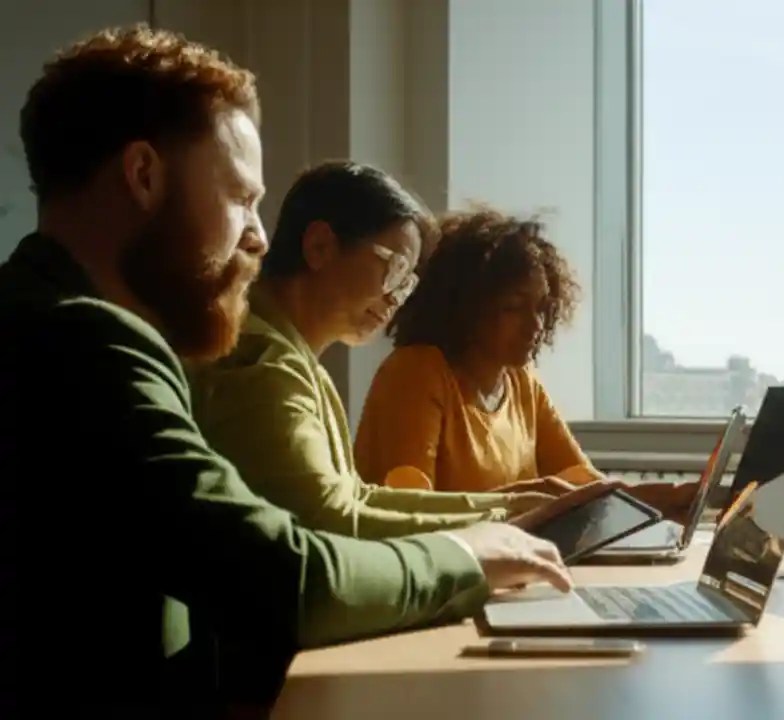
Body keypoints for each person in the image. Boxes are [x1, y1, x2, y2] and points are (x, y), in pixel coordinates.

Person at [0, 27, 572, 714]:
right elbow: (283, 578)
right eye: (241, 196)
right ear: (144, 175)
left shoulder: (43, 313)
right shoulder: (83, 341)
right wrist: (467, 555)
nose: (260, 236)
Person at [188, 161, 565, 538]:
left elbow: (358, 497)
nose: (394, 299)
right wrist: (503, 524)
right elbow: (331, 521)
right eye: (395, 268)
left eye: (407, 284)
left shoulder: (300, 362)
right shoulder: (262, 365)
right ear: (319, 247)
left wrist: (510, 506)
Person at [354, 208, 696, 517]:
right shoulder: (416, 372)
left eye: (542, 308)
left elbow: (577, 482)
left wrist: (662, 500)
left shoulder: (521, 381)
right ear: (464, 307)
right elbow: (408, 509)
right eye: (514, 307)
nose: (536, 325)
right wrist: (527, 497)